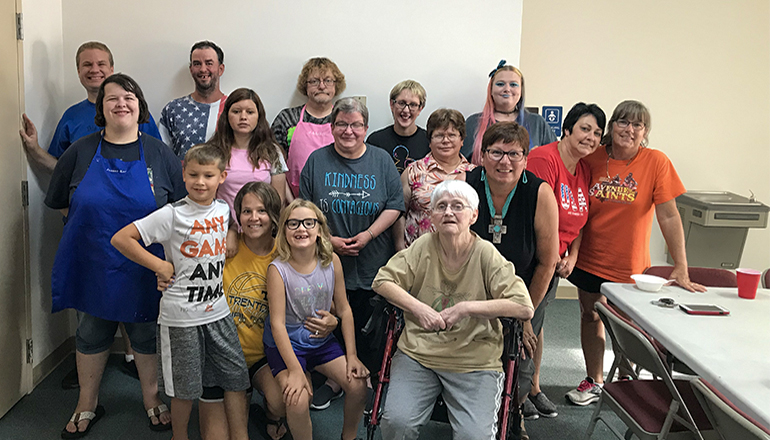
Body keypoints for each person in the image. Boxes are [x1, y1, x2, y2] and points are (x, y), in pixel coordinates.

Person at [46, 73, 183, 438]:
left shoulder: (159, 153)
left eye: (129, 97)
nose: (121, 103)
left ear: (140, 107)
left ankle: (151, 398)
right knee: (91, 332)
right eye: (112, 99)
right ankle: (86, 402)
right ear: (100, 108)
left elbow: (181, 208)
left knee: (145, 332)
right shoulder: (80, 151)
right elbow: (60, 202)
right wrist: (87, 231)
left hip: (146, 267)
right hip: (93, 264)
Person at [565, 100, 706, 406]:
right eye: (623, 122)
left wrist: (680, 265)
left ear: (645, 132)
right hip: (589, 257)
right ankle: (594, 379)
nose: (629, 130)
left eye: (637, 125)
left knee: (627, 327)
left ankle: (627, 377)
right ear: (611, 126)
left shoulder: (656, 162)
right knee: (590, 316)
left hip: (629, 264)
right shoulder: (592, 157)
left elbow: (669, 216)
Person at [372, 179, 535, 440]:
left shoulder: (485, 254)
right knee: (396, 423)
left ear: (474, 215)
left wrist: (467, 308)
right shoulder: (423, 246)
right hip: (419, 353)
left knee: (475, 437)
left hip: (474, 359)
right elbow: (382, 281)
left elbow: (523, 307)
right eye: (441, 206)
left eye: (458, 206)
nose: (448, 212)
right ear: (433, 216)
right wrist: (419, 309)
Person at [111, 143, 251, 440]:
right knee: (183, 388)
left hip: (218, 312)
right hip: (181, 317)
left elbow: (226, 225)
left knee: (236, 377)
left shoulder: (224, 209)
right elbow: (122, 239)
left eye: (208, 175)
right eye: (194, 175)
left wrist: (232, 235)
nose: (201, 182)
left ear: (222, 176)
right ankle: (180, 435)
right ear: (183, 176)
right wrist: (158, 267)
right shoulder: (171, 214)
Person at [220, 182, 339, 440]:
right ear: (238, 214)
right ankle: (244, 401)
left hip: (268, 353)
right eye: (246, 211)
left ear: (275, 215)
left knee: (294, 397)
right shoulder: (227, 248)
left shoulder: (287, 251)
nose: (254, 218)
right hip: (228, 354)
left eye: (261, 211)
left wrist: (332, 319)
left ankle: (270, 412)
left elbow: (319, 295)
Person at [464, 121, 560, 439]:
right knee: (476, 350)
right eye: (497, 152)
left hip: (530, 284)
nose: (505, 162)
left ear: (525, 158)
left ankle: (513, 414)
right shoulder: (467, 185)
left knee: (519, 353)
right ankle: (473, 413)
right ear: (482, 155)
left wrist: (525, 314)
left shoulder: (539, 192)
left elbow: (548, 262)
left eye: (514, 154)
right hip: (477, 286)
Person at [299, 97, 404, 377]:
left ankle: (364, 378)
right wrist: (328, 240)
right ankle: (336, 379)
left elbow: (395, 204)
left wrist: (369, 234)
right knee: (331, 319)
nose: (349, 131)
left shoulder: (381, 160)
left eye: (356, 125)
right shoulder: (316, 160)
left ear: (366, 128)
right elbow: (304, 208)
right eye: (342, 124)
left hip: (372, 259)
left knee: (368, 325)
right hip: (326, 258)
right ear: (332, 127)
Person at [521, 102, 606, 420]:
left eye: (597, 133)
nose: (591, 137)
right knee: (525, 323)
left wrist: (573, 254)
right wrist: (552, 252)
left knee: (538, 325)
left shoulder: (582, 167)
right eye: (585, 128)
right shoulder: (545, 159)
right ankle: (517, 392)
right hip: (534, 258)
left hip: (556, 261)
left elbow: (580, 220)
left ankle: (533, 386)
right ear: (567, 129)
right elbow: (532, 212)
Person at [265, 199, 369, 440]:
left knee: (357, 385)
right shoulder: (277, 269)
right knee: (297, 398)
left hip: (321, 340)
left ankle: (349, 436)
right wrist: (294, 369)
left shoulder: (332, 261)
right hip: (287, 343)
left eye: (308, 223)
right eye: (293, 224)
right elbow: (277, 324)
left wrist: (352, 355)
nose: (301, 229)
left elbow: (344, 310)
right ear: (284, 231)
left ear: (320, 229)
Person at [20, 41, 161, 174]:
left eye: (101, 64)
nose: (94, 70)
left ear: (111, 70)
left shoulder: (134, 112)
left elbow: (157, 159)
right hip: (83, 198)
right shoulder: (71, 116)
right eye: (87, 64)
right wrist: (34, 149)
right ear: (78, 71)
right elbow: (61, 168)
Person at [208, 88, 288, 256]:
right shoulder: (214, 151)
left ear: (258, 116)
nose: (243, 117)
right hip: (223, 234)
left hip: (262, 235)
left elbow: (277, 201)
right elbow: (207, 198)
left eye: (250, 112)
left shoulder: (273, 152)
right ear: (226, 116)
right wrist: (231, 229)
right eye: (236, 111)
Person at [396, 108, 474, 251]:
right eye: (439, 135)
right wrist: (401, 249)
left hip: (462, 257)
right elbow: (399, 213)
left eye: (452, 135)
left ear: (462, 140)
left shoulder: (474, 174)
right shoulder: (413, 171)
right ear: (430, 141)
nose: (446, 141)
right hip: (417, 256)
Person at [271, 57, 346, 198]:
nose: (322, 86)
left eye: (328, 80)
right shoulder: (287, 118)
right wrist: (292, 203)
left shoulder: (345, 120)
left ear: (336, 86)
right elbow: (276, 166)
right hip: (294, 200)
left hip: (338, 202)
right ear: (305, 86)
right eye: (314, 81)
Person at [464, 59, 556, 163]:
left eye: (513, 85)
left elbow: (555, 160)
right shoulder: (473, 123)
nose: (507, 89)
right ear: (491, 90)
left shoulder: (537, 123)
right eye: (500, 84)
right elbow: (458, 162)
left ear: (521, 91)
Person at [159, 40, 227, 159]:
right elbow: (161, 155)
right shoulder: (173, 109)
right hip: (181, 177)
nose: (203, 69)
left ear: (220, 69)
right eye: (197, 64)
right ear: (191, 69)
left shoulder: (235, 108)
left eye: (209, 63)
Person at [366, 80, 430, 173]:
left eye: (413, 105)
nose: (406, 110)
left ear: (420, 109)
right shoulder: (375, 141)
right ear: (392, 104)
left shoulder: (429, 142)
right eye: (401, 103)